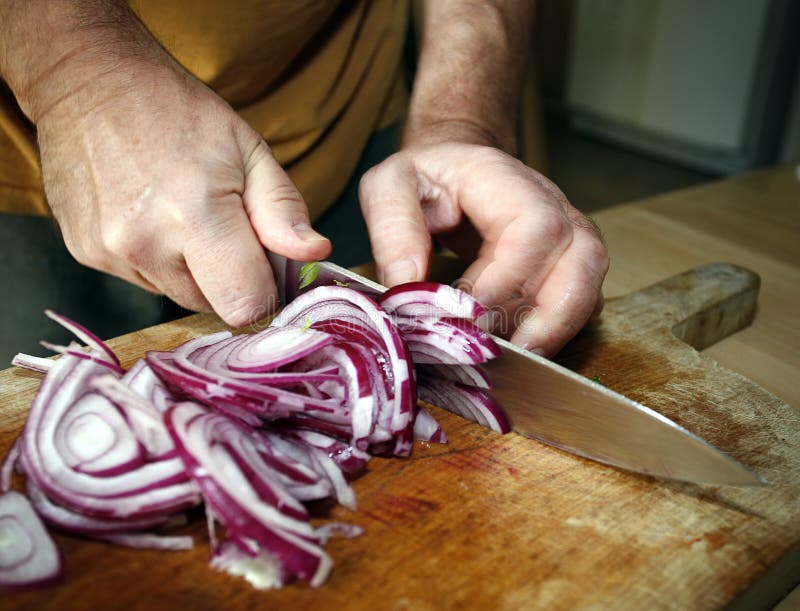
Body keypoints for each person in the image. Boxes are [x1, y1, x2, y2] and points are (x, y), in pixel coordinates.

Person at [0, 0, 608, 358]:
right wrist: (73, 74)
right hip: (27, 149)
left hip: (342, 114)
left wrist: (462, 121)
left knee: (357, 358)